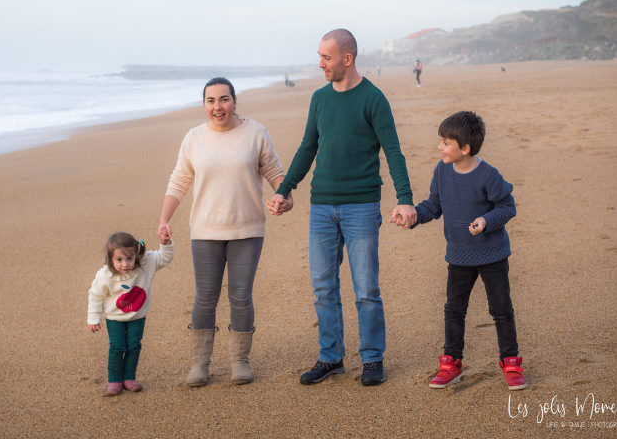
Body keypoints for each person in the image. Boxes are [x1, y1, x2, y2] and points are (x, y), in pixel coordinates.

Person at [266, 29, 416, 386]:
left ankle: (372, 358)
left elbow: (392, 151)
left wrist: (406, 198)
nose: (320, 63)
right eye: (319, 56)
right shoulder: (319, 99)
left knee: (365, 288)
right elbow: (307, 148)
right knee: (323, 287)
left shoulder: (373, 99)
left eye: (326, 57)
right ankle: (331, 357)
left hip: (361, 206)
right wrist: (285, 189)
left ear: (347, 59)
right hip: (321, 207)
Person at [159, 77, 289, 387]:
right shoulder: (193, 138)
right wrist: (164, 219)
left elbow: (275, 171)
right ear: (204, 104)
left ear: (234, 100)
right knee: (205, 297)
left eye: (224, 99)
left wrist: (284, 196)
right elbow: (178, 181)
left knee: (240, 297)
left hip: (248, 229)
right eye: (211, 101)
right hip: (205, 230)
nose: (218, 107)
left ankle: (239, 361)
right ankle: (200, 364)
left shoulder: (255, 132)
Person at [392, 111, 527, 390]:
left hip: (492, 255)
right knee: (454, 310)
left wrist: (486, 221)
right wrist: (414, 216)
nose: (439, 147)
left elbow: (507, 207)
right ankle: (451, 363)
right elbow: (434, 206)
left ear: (464, 148)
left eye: (445, 142)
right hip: (459, 256)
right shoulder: (442, 171)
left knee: (501, 310)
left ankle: (511, 362)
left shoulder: (488, 175)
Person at [87, 231, 174, 396]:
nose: (125, 264)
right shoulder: (105, 275)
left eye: (129, 258)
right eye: (119, 260)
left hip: (137, 316)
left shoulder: (146, 264)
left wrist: (166, 243)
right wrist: (94, 318)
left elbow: (164, 258)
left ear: (136, 255)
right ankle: (114, 380)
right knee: (117, 347)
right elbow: (95, 295)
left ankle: (129, 378)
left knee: (134, 346)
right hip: (114, 318)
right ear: (111, 259)